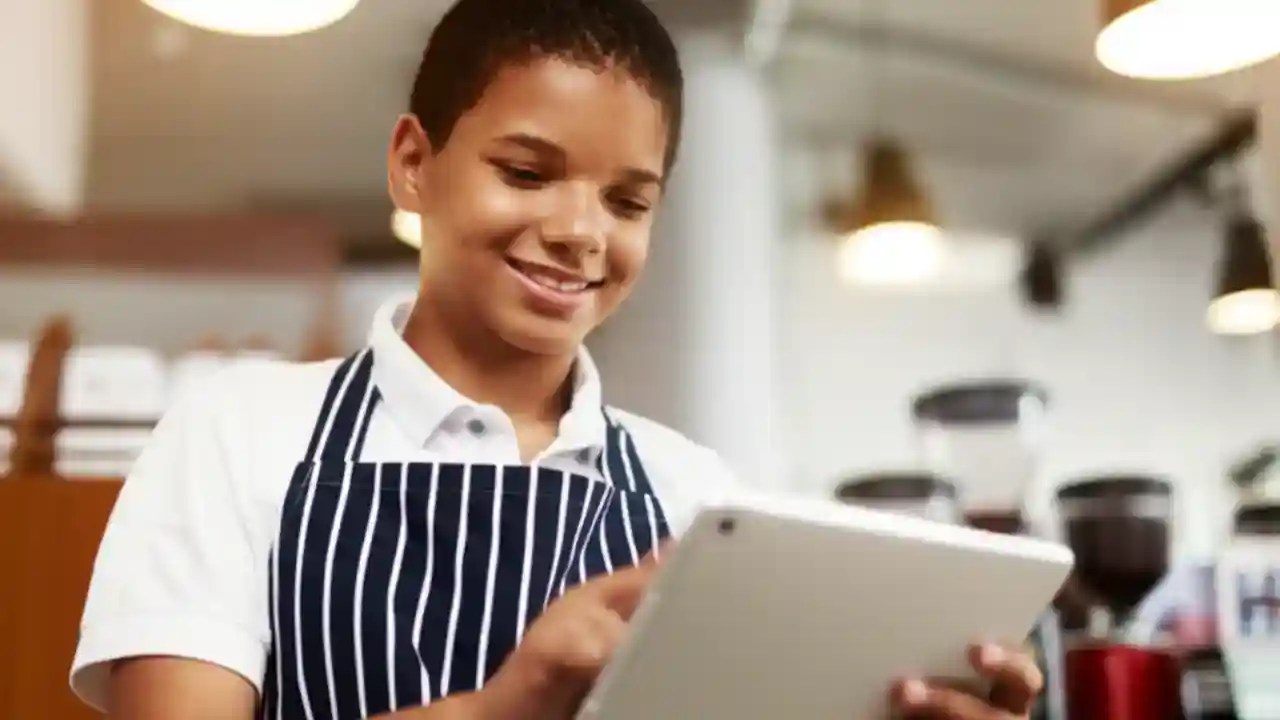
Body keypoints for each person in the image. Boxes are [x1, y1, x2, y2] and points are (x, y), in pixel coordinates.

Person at [70, 0, 1044, 718]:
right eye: (526, 172)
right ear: (414, 162)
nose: (581, 232)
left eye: (627, 202)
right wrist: (505, 707)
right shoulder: (239, 434)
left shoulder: (692, 497)